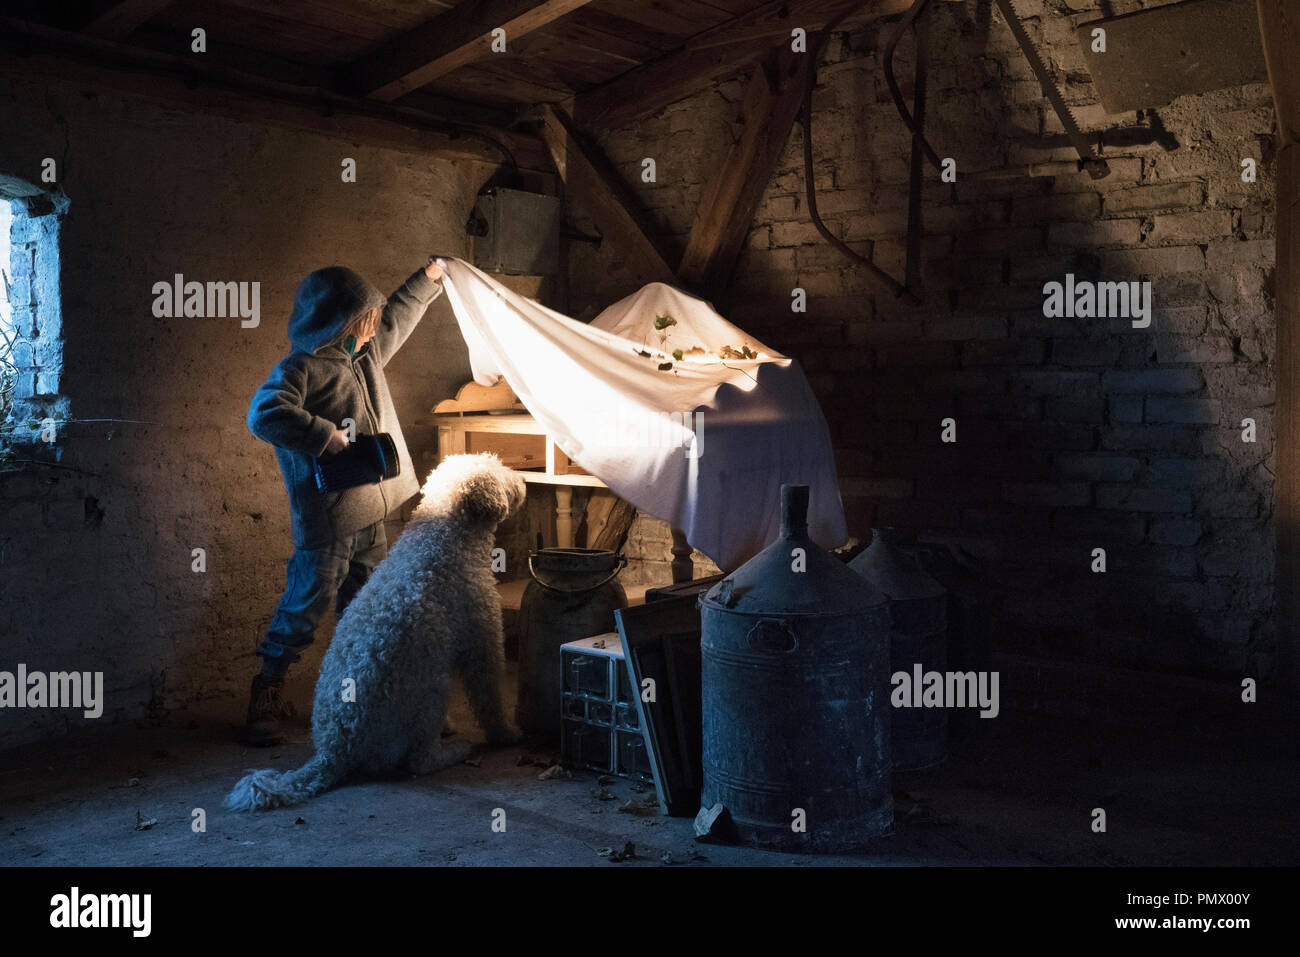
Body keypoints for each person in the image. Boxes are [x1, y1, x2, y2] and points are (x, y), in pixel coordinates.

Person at [243, 256, 445, 745]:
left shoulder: (366, 355)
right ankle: (267, 692)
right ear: (341, 320)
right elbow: (262, 413)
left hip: (372, 512)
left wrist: (427, 278)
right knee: (306, 605)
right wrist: (323, 435)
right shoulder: (301, 368)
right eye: (366, 319)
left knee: (365, 606)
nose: (377, 328)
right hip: (329, 519)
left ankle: (357, 697)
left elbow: (396, 314)